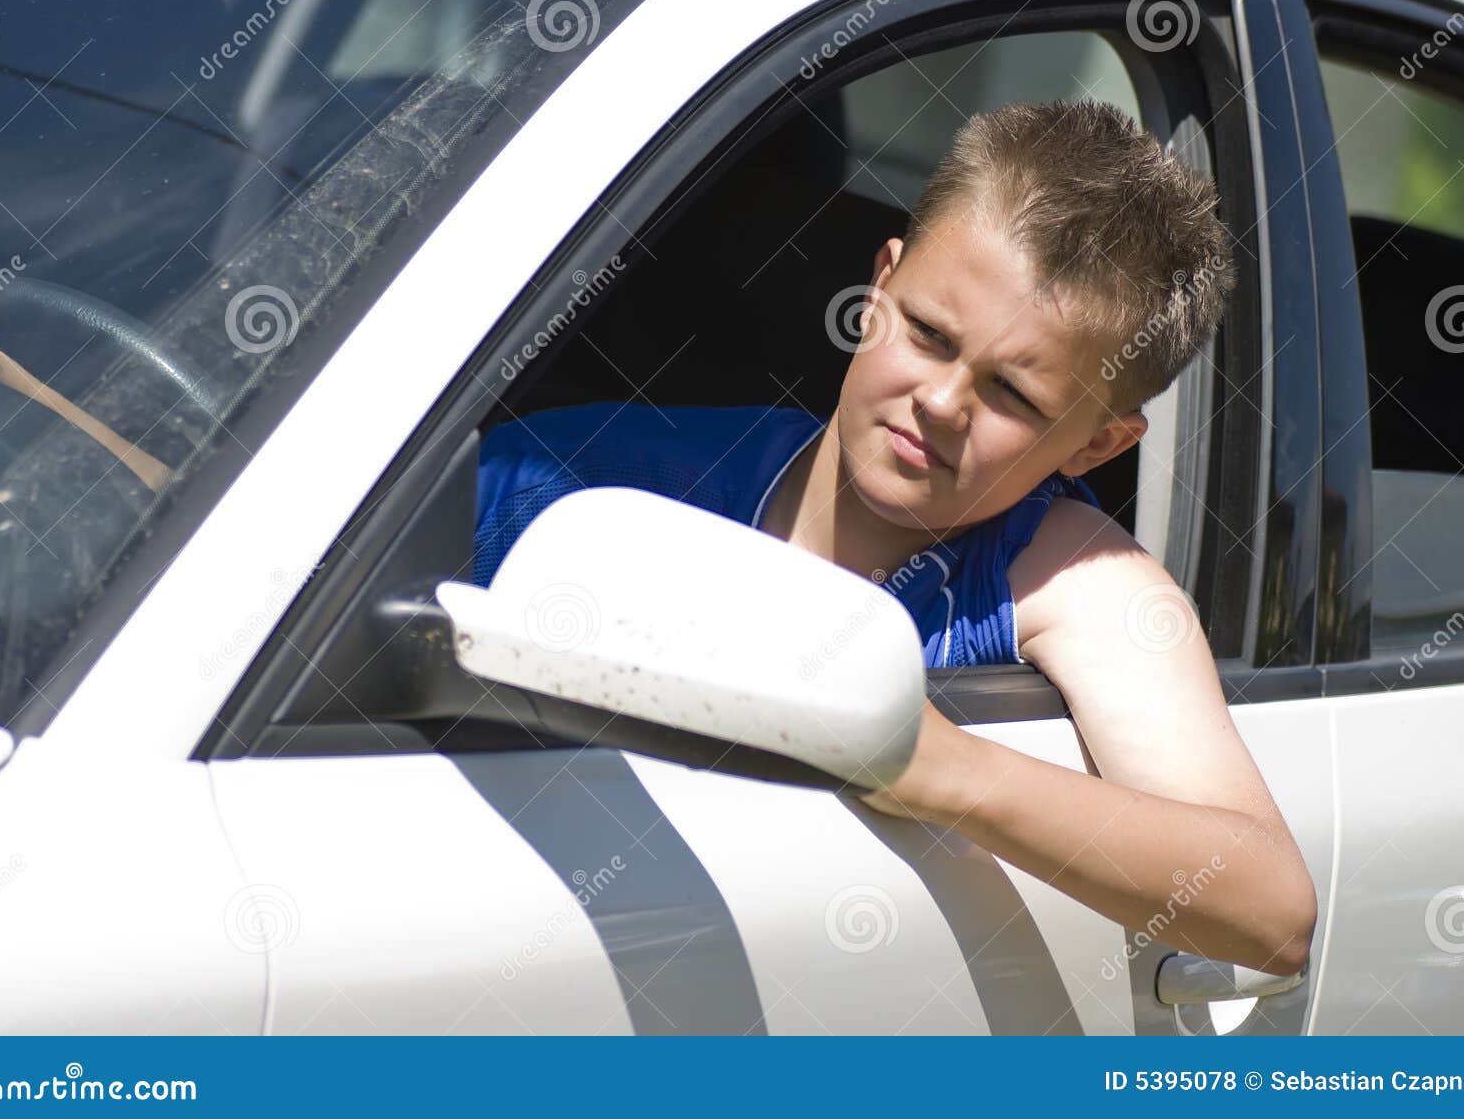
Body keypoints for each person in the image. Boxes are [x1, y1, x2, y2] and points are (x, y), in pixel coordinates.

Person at [474, 99, 1317, 977]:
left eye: (1016, 397)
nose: (943, 402)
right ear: (880, 286)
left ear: (1098, 444)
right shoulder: (578, 472)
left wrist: (936, 764)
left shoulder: (1061, 573)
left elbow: (1270, 906)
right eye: (927, 334)